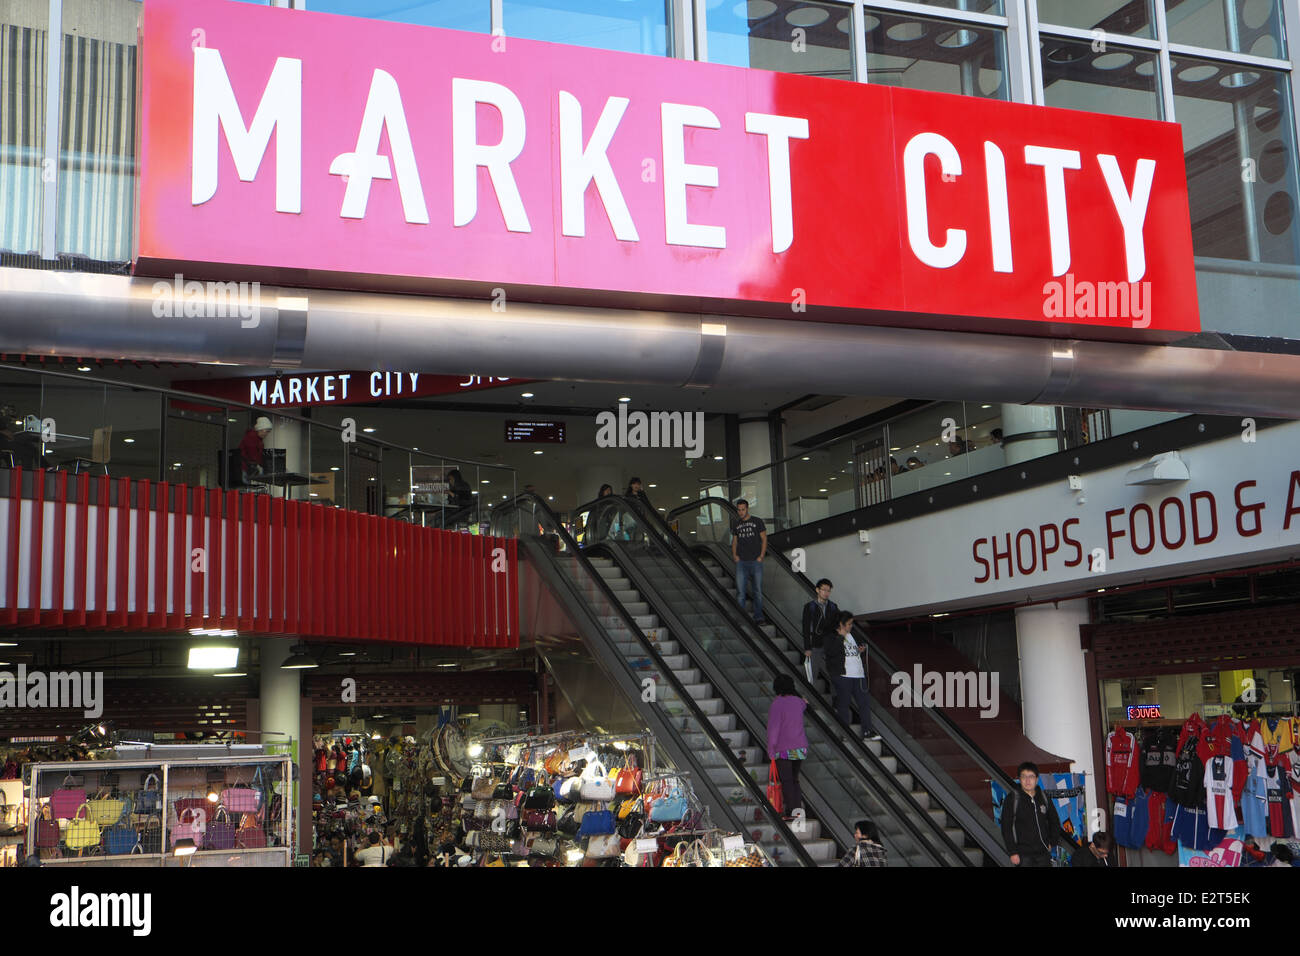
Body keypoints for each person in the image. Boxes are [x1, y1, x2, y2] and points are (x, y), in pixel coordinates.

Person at [824, 611, 877, 741]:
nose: (850, 626)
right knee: (844, 704)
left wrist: (861, 648)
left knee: (864, 703)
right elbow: (830, 653)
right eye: (848, 624)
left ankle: (867, 731)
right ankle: (845, 733)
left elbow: (861, 644)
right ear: (841, 624)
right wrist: (840, 637)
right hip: (843, 675)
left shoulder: (853, 634)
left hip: (858, 675)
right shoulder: (832, 637)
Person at [1001, 761, 1063, 867]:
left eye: (1031, 776)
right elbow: (1006, 827)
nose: (1028, 780)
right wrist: (1013, 852)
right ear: (1019, 779)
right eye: (1024, 776)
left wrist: (1052, 842)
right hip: (1023, 855)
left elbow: (1055, 821)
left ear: (1037, 779)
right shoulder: (1013, 798)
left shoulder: (1044, 797)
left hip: (1043, 854)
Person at [767, 673, 807, 819]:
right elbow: (804, 704)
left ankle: (792, 810)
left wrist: (771, 750)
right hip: (800, 748)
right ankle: (798, 810)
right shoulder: (798, 702)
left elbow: (773, 729)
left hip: (783, 749)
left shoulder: (777, 704)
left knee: (787, 781)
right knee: (794, 779)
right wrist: (803, 701)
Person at [730, 499, 767, 624]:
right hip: (742, 562)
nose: (740, 512)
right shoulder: (736, 524)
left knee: (757, 591)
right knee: (741, 592)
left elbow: (764, 539)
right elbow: (734, 541)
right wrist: (734, 555)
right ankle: (740, 619)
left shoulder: (757, 521)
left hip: (756, 561)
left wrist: (761, 556)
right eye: (739, 510)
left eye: (743, 509)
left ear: (747, 509)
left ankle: (759, 617)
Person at [801, 579, 838, 689]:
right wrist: (807, 647)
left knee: (834, 675)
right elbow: (806, 628)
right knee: (812, 674)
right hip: (815, 645)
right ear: (817, 590)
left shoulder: (833, 606)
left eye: (829, 590)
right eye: (824, 590)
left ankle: (836, 702)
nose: (826, 593)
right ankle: (809, 701)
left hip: (830, 645)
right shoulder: (810, 606)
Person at [238, 416, 273, 484]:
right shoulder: (252, 438)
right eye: (267, 431)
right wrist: (258, 465)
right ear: (261, 429)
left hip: (248, 468)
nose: (267, 434)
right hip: (246, 468)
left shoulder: (257, 439)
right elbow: (252, 455)